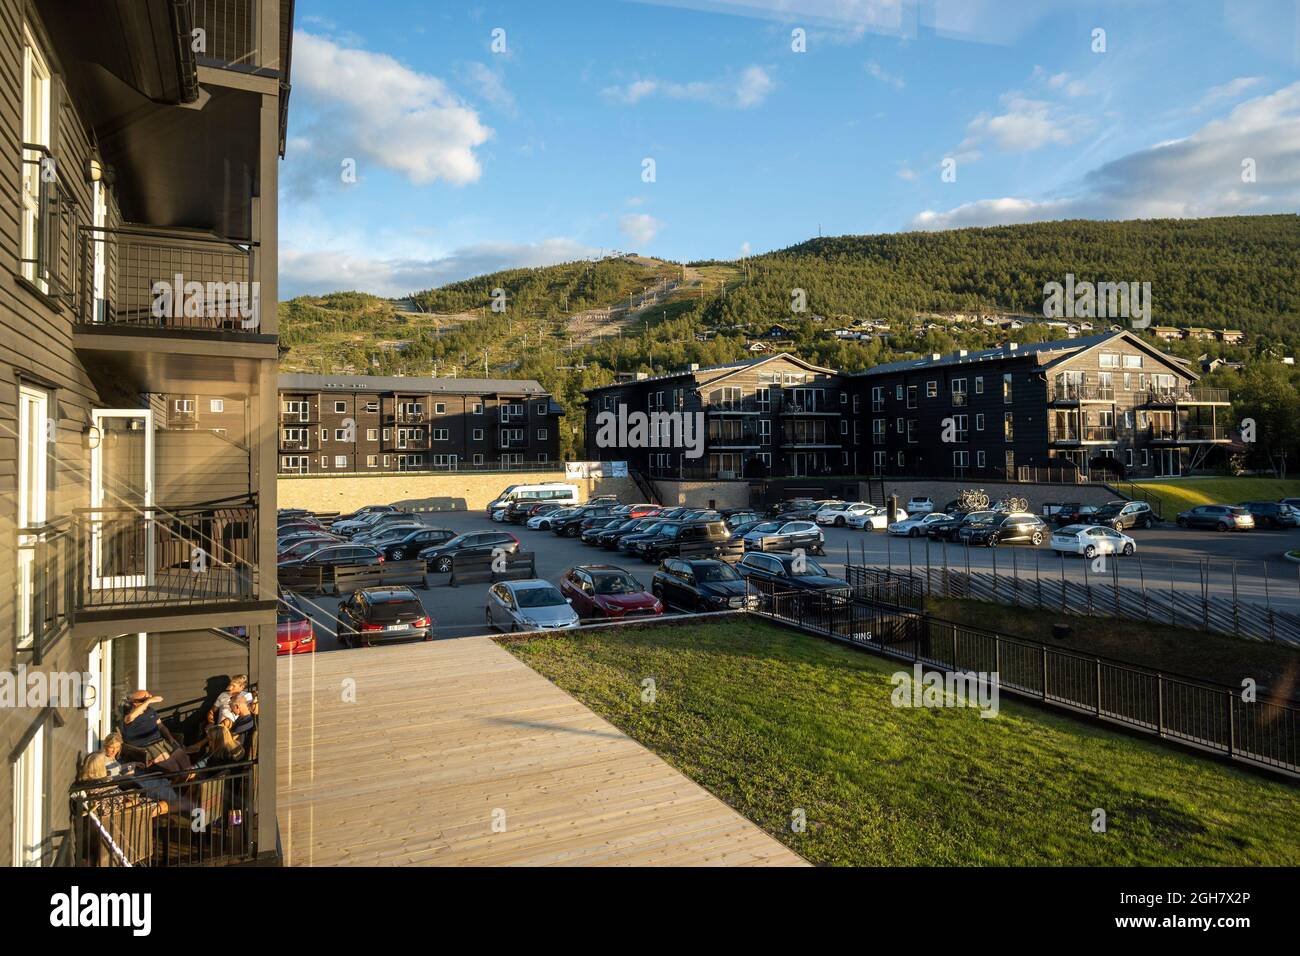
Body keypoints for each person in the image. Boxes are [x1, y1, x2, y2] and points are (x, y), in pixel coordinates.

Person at [120, 690, 192, 773]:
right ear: (135, 703)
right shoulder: (129, 714)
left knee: (184, 759)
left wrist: (170, 738)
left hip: (161, 741)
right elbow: (129, 718)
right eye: (146, 698)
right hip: (146, 746)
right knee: (173, 766)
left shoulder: (150, 710)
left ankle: (188, 782)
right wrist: (149, 701)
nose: (151, 696)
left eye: (149, 695)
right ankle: (177, 784)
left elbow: (161, 726)